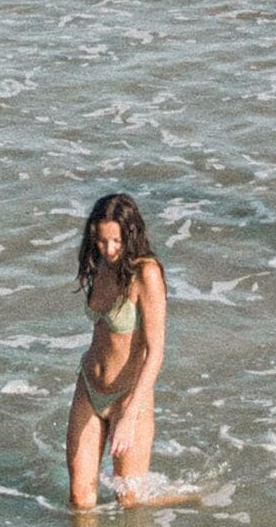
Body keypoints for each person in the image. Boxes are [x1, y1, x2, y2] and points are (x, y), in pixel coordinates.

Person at [67, 192, 195, 509]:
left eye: (116, 241)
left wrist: (130, 414)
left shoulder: (146, 275)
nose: (108, 250)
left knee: (130, 502)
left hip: (128, 395)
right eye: (100, 240)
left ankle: (192, 496)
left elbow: (156, 351)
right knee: (80, 500)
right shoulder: (98, 264)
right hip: (89, 386)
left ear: (131, 235)